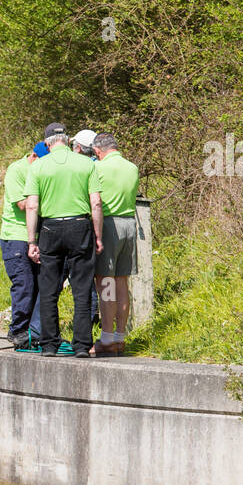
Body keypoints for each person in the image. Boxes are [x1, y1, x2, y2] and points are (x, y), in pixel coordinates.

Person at [25, 123, 103, 357]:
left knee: (49, 289)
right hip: (80, 226)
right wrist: (98, 235)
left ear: (47, 143)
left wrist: (31, 241)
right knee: (82, 288)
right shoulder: (86, 164)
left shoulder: (38, 166)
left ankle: (49, 345)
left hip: (50, 228)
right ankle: (81, 346)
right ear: (69, 141)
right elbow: (96, 202)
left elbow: (31, 205)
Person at [0, 141, 49, 349]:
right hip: (16, 236)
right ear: (34, 158)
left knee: (40, 285)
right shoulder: (17, 170)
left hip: (37, 236)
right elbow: (22, 204)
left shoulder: (42, 171)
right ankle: (18, 330)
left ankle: (34, 331)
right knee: (24, 284)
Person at [92, 132, 139, 354]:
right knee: (122, 283)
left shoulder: (98, 168)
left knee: (106, 284)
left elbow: (95, 202)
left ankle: (107, 338)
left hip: (109, 226)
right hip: (129, 224)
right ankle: (120, 337)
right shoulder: (132, 167)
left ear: (98, 151)